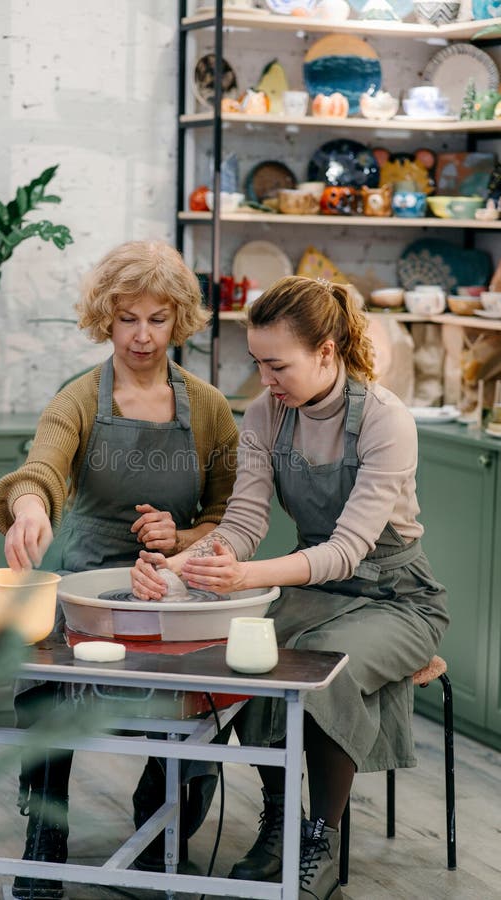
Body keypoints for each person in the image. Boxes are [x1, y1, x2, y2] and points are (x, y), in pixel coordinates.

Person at [131, 275, 449, 900]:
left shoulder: (387, 421)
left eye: (278, 365)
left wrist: (246, 576)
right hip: (314, 587)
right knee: (241, 655)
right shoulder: (265, 414)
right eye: (257, 364)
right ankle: (277, 816)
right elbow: (245, 523)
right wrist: (171, 571)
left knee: (323, 670)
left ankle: (318, 840)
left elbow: (347, 551)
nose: (265, 379)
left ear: (327, 351)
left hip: (395, 595)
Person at [0, 239, 238, 900]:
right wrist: (28, 511)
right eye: (128, 318)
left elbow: (232, 514)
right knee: (46, 685)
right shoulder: (77, 398)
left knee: (211, 696)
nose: (141, 335)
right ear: (106, 317)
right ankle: (46, 835)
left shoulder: (211, 409)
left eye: (157, 319)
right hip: (87, 581)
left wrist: (182, 535)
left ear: (179, 319)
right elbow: (40, 468)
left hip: (179, 588)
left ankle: (161, 821)